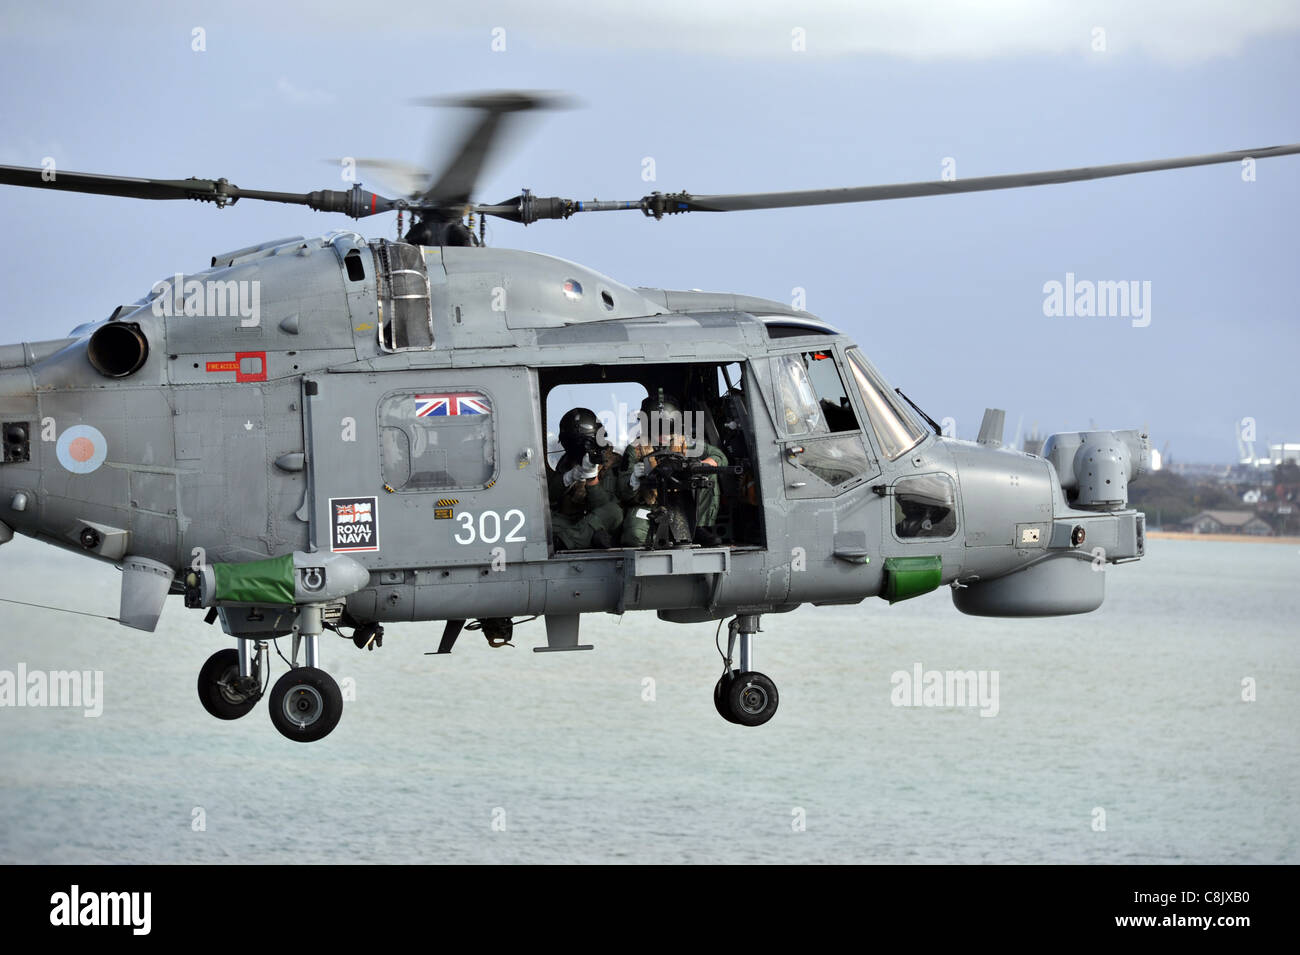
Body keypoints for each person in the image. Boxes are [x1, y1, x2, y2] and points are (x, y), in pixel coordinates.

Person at [618, 392, 728, 547]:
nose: (664, 435)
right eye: (658, 430)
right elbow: (623, 492)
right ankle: (660, 533)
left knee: (708, 476)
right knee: (635, 537)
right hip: (649, 504)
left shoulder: (684, 442)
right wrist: (633, 479)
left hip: (680, 502)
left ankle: (698, 528)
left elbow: (719, 456)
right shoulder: (635, 449)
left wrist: (703, 465)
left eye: (669, 430)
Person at [547, 407, 623, 550]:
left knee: (614, 512)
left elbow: (605, 508)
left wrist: (591, 479)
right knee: (545, 521)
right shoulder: (567, 462)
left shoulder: (611, 462)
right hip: (575, 523)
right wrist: (568, 477)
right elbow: (551, 496)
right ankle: (588, 538)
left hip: (602, 522)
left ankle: (566, 541)